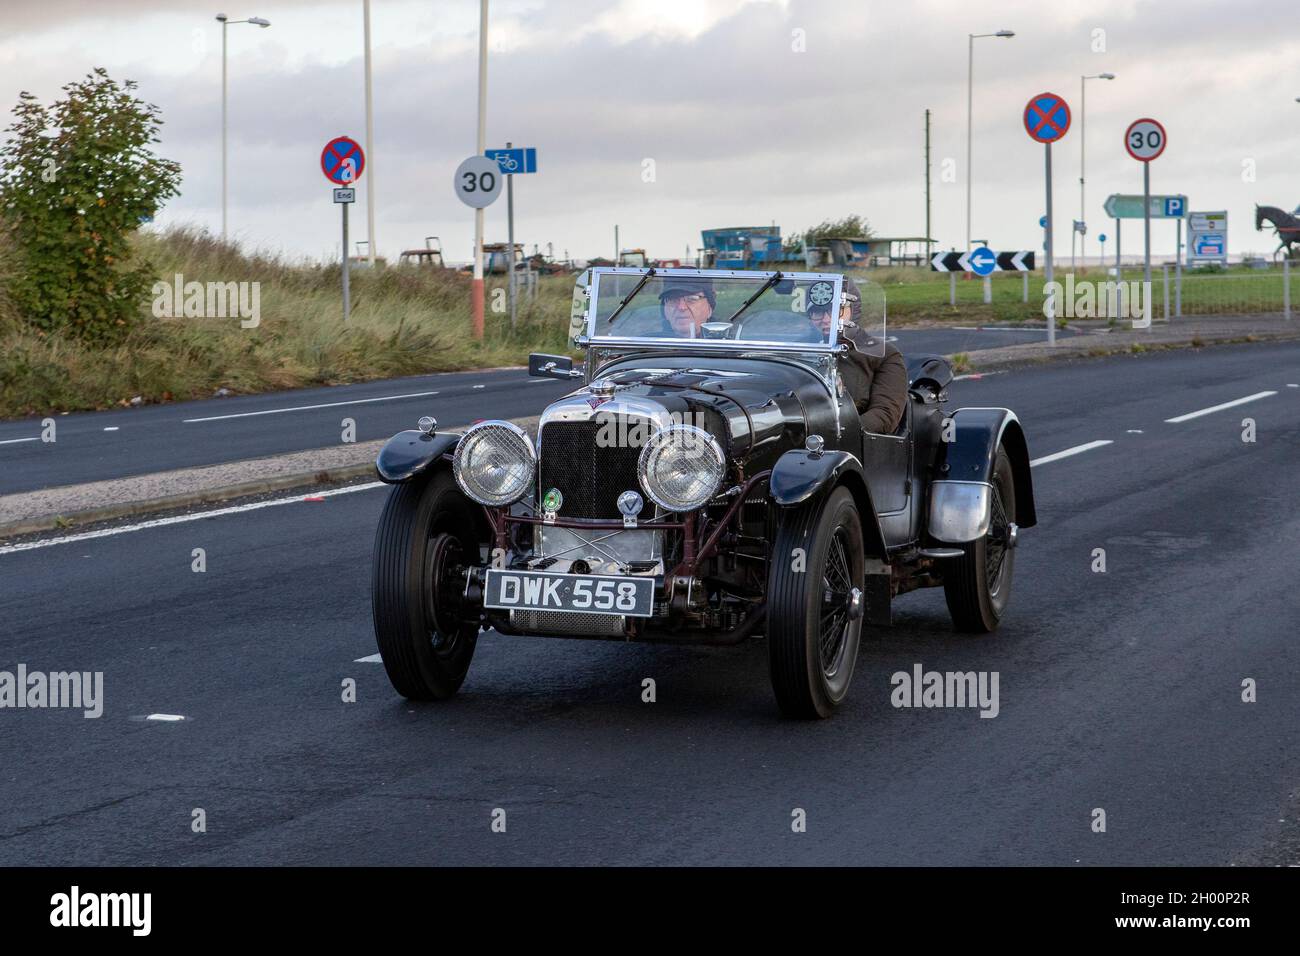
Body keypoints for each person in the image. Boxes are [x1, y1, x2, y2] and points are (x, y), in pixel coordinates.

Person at [810, 278, 908, 434]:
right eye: (818, 311)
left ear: (853, 310)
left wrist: (840, 432)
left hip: (850, 443)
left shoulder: (884, 355)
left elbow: (886, 414)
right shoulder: (796, 351)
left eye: (837, 309)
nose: (827, 319)